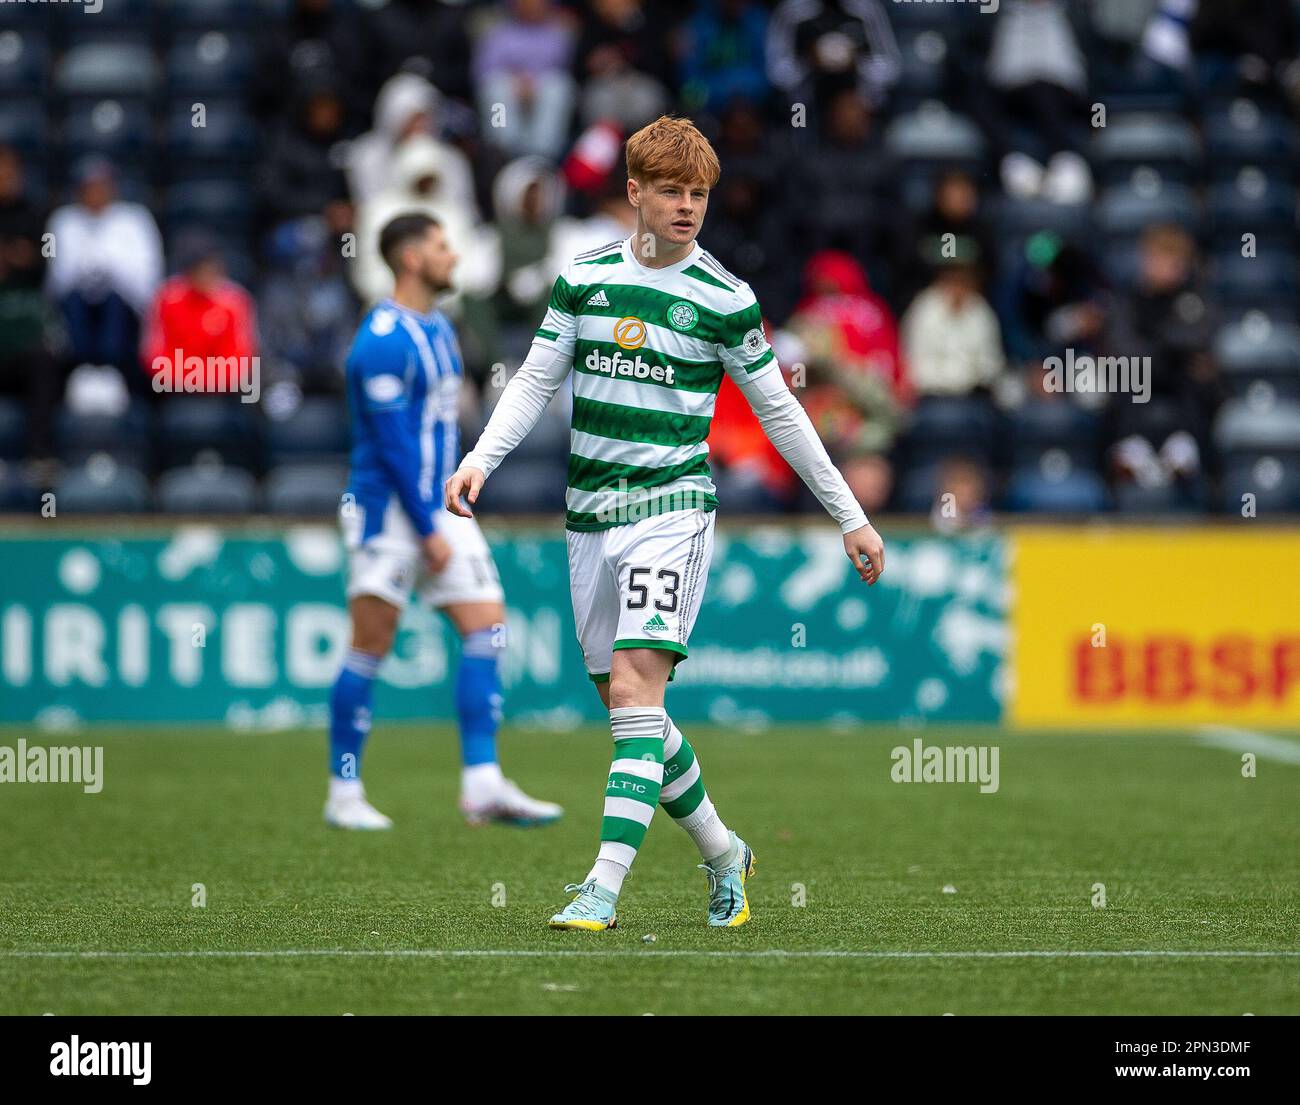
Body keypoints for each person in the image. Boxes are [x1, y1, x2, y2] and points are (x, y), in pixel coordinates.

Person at [444, 116, 885, 930]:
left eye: (699, 195)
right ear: (635, 193)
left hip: (672, 506)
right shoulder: (583, 278)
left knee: (638, 688)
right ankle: (724, 854)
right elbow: (536, 380)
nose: (687, 207)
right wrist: (480, 459)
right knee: (628, 705)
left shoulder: (725, 298)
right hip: (588, 514)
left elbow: (781, 412)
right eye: (673, 191)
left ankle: (602, 890)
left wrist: (850, 516)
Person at [327, 211, 561, 831]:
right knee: (370, 644)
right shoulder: (380, 339)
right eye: (439, 245)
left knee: (487, 624)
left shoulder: (438, 329)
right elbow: (393, 443)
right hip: (387, 511)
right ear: (409, 258)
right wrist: (427, 529)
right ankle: (343, 791)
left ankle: (482, 783)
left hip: (437, 504)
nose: (452, 255)